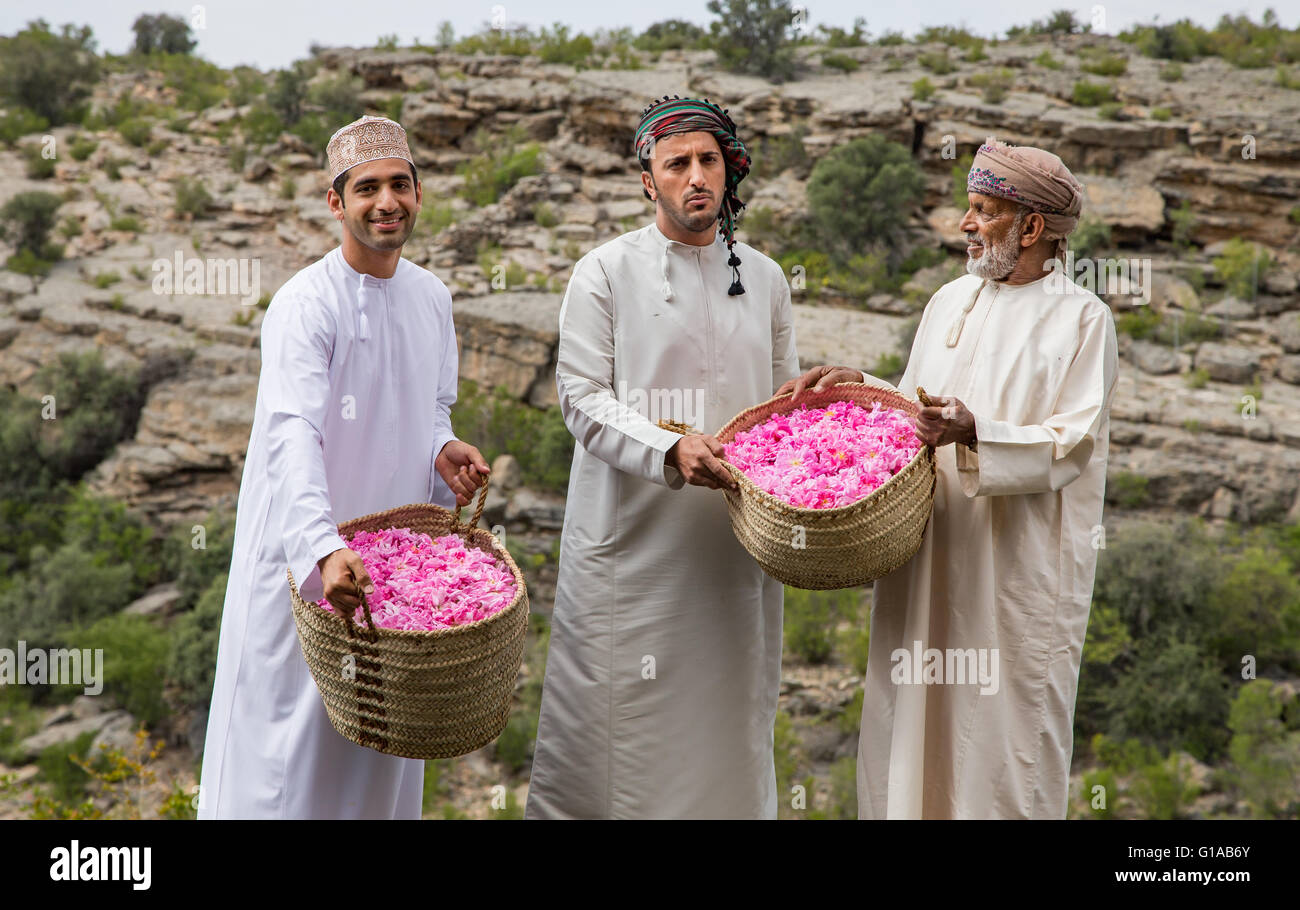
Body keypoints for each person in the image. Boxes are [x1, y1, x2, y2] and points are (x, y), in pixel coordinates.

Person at [783, 140, 1119, 818]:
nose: (964, 224)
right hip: (930, 554)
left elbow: (1072, 443)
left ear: (1031, 228)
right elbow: (917, 407)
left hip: (1011, 571)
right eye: (968, 208)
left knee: (998, 745)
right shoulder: (948, 300)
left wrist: (977, 434)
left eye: (983, 211)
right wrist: (862, 386)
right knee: (910, 730)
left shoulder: (1083, 318)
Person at [198, 115, 490, 819]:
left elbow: (431, 408)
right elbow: (291, 434)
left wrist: (439, 449)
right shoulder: (305, 303)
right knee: (286, 769)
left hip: (388, 571)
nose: (386, 202)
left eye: (399, 185)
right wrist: (324, 548)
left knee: (376, 752)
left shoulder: (432, 296)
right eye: (367, 189)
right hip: (308, 563)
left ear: (419, 192)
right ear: (337, 203)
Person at [525, 96, 801, 819]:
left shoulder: (766, 279)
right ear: (648, 179)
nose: (695, 175)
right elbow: (580, 398)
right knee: (618, 747)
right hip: (632, 556)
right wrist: (670, 449)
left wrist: (814, 402)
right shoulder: (604, 273)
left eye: (708, 159)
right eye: (676, 163)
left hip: (733, 554)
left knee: (727, 744)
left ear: (728, 170)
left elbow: (779, 411)